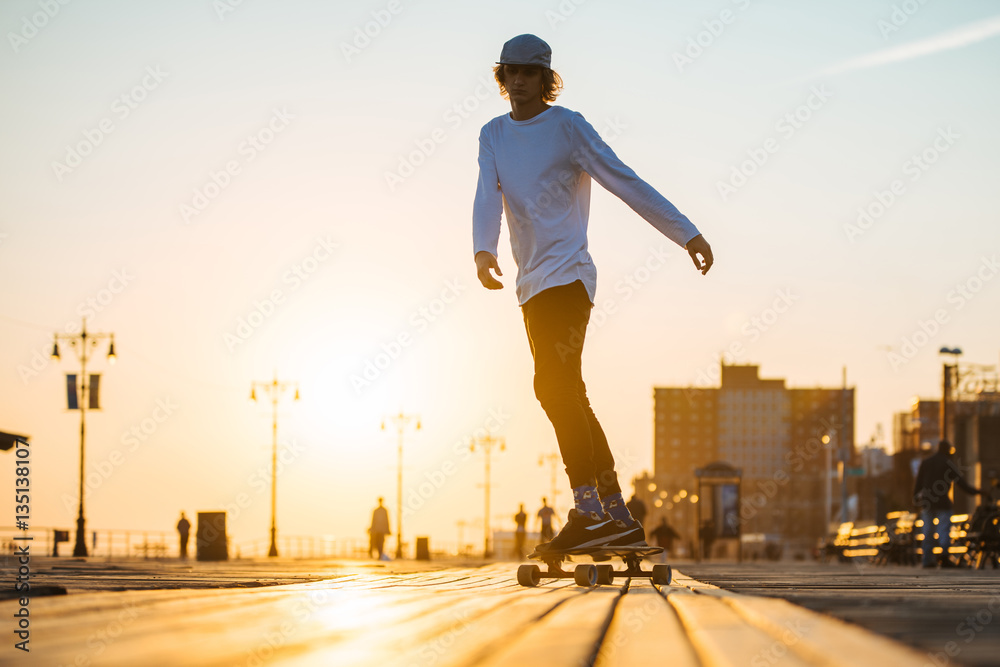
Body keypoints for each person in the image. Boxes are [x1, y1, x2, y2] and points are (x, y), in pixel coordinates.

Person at [473, 34, 713, 553]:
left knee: (552, 387)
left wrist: (685, 232)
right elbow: (485, 195)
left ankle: (587, 510)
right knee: (567, 392)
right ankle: (618, 515)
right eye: (509, 71)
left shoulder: (568, 128)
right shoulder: (492, 135)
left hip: (571, 277)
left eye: (528, 73)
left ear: (545, 80)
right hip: (531, 283)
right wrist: (482, 250)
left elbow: (624, 181)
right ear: (502, 77)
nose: (517, 80)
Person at [913, 440, 982, 568]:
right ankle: (944, 558)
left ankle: (927, 560)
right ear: (947, 450)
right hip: (943, 503)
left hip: (928, 503)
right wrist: (978, 492)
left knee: (927, 531)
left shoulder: (926, 462)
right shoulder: (947, 463)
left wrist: (916, 498)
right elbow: (961, 484)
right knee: (943, 531)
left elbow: (918, 483)